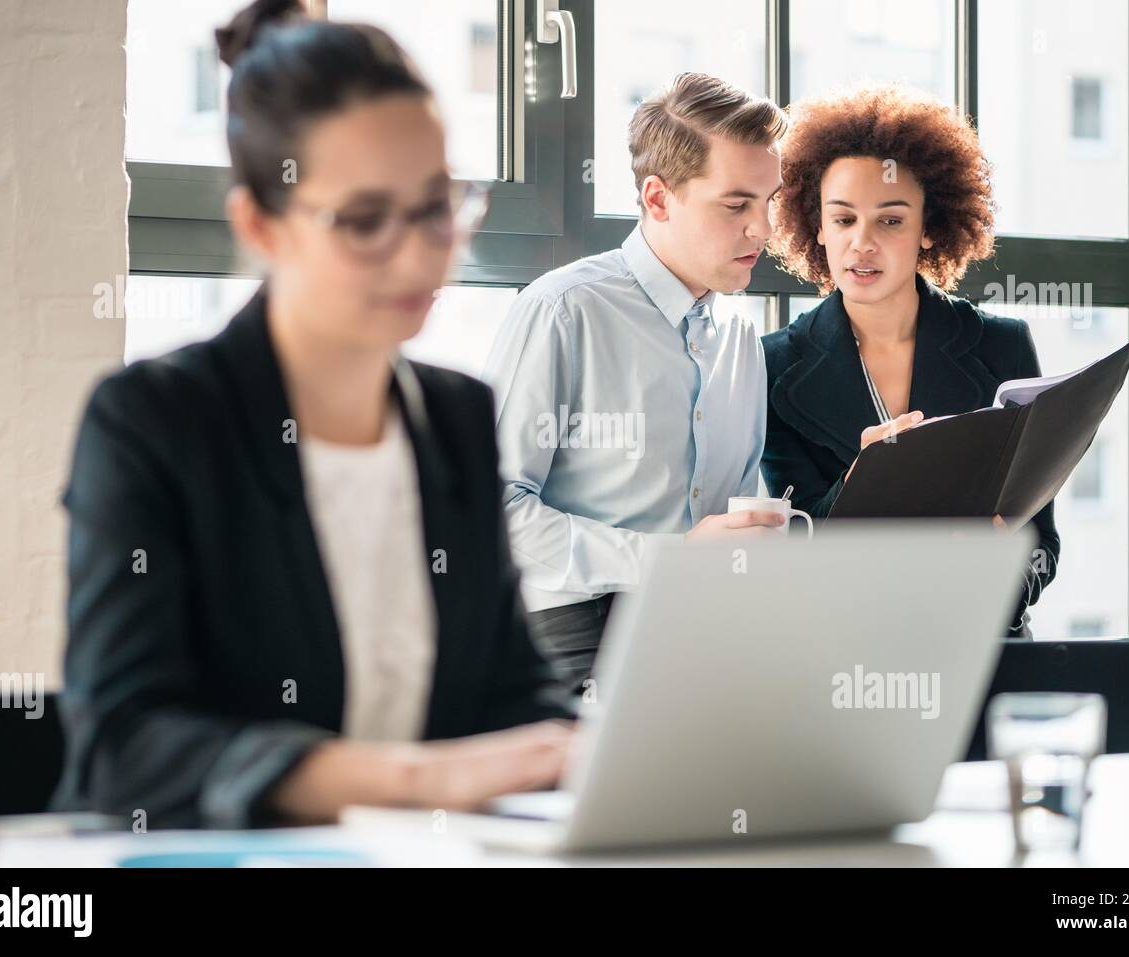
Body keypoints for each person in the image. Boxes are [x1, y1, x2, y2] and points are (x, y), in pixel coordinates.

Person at [53, 0, 573, 830]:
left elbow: (511, 690)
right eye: (365, 220)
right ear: (261, 224)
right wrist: (416, 778)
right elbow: (125, 743)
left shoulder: (455, 414)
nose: (418, 251)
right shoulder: (155, 420)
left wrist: (586, 742)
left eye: (438, 204)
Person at [484, 73, 790, 696]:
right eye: (736, 205)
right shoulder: (563, 310)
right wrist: (666, 561)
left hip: (709, 640)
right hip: (576, 641)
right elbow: (491, 514)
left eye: (770, 201)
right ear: (658, 199)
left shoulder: (740, 336)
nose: (764, 230)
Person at [761, 85, 1059, 637]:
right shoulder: (774, 365)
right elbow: (796, 550)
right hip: (846, 657)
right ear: (816, 226)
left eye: (891, 221)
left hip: (982, 651)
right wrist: (861, 484)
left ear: (928, 228)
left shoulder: (1003, 345)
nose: (863, 244)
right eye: (844, 219)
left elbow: (1041, 543)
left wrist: (995, 563)